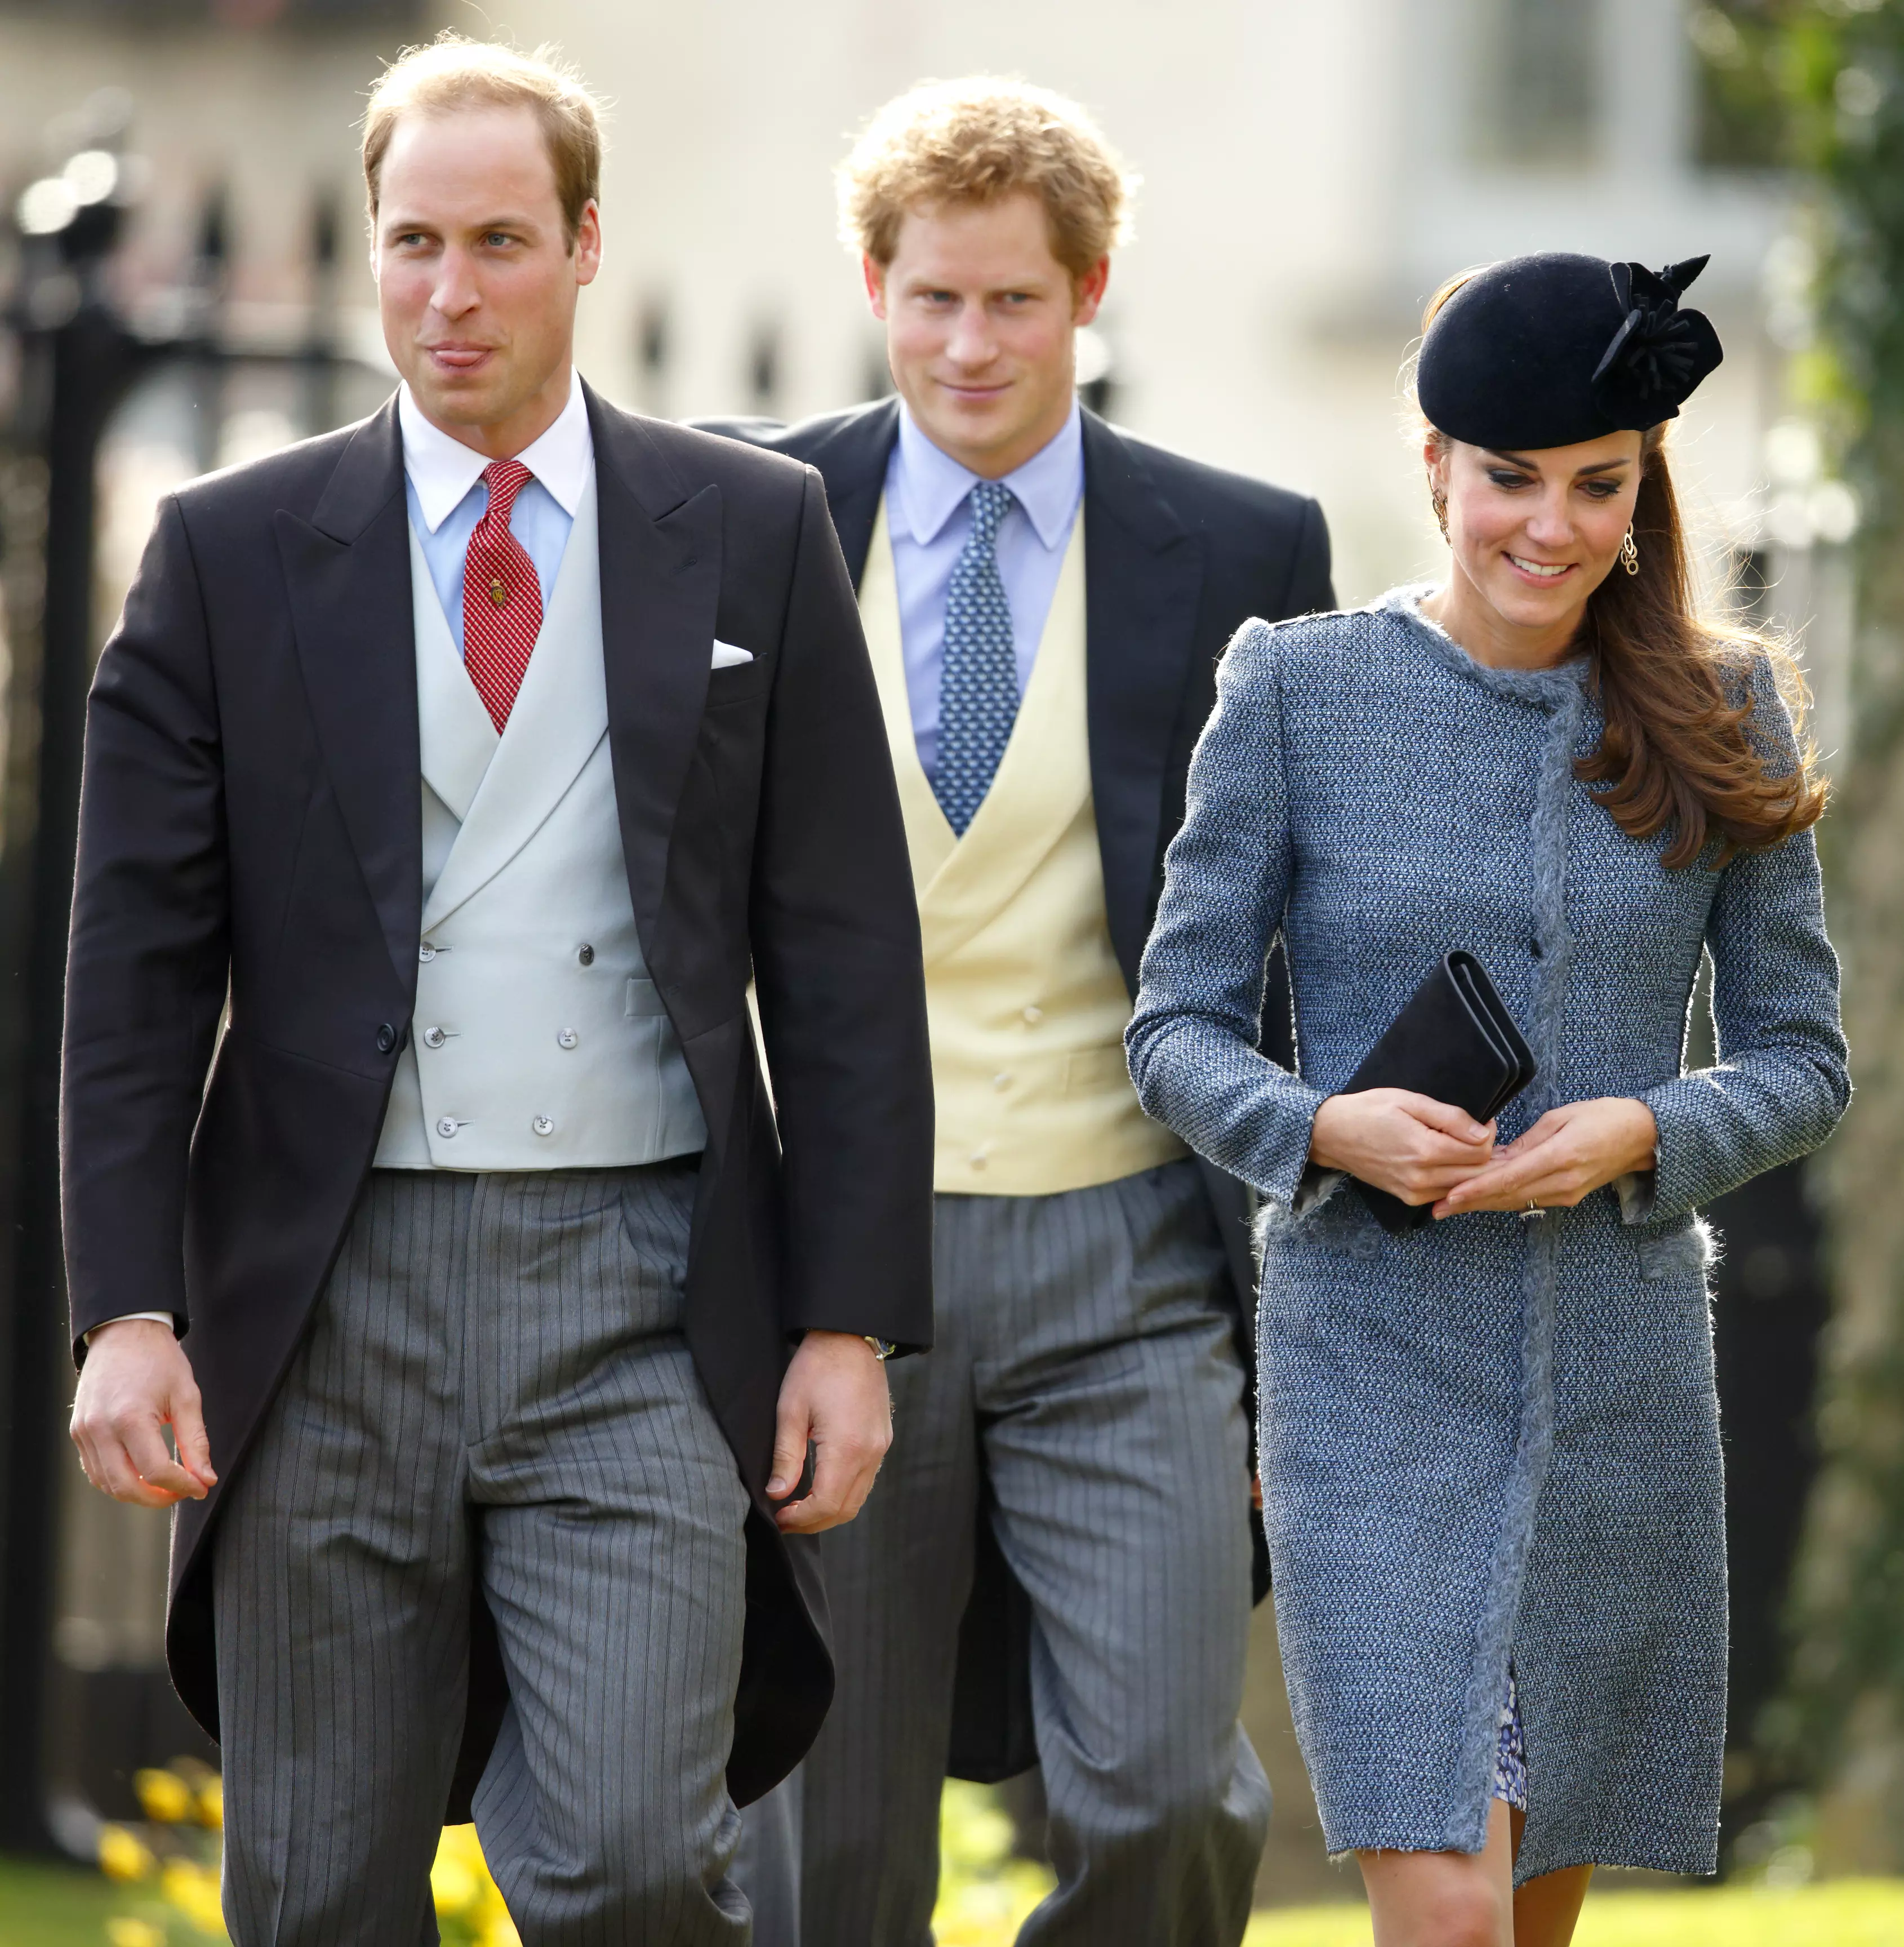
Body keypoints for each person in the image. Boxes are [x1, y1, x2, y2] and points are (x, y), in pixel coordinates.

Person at [62, 35, 933, 1944]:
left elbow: (848, 957)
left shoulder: (753, 530)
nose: (450, 295)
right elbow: (131, 971)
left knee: (635, 1857)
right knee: (315, 1894)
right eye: (412, 244)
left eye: (500, 243)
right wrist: (124, 1306)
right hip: (321, 1307)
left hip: (641, 1294)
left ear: (586, 245)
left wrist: (849, 1323)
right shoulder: (223, 557)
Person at [1126, 251, 1849, 1947]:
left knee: (1523, 1918)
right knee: (1443, 1909)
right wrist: (1317, 1126)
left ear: (1640, 485)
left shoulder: (1719, 703)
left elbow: (1802, 1058)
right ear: (1434, 464)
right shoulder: (1296, 691)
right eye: (1508, 479)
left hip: (1614, 1382)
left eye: (1597, 485)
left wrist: (1645, 1132)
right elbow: (1177, 1028)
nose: (1550, 525)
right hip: (1369, 1372)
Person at [705, 77, 1333, 1947]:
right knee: (831, 1847)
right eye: (930, 301)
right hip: (835, 1272)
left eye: (1013, 302)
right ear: (873, 289)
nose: (968, 346)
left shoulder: (1238, 549)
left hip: (1127, 1260)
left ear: (1090, 291)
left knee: (1164, 1795)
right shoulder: (741, 519)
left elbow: (1294, 943)